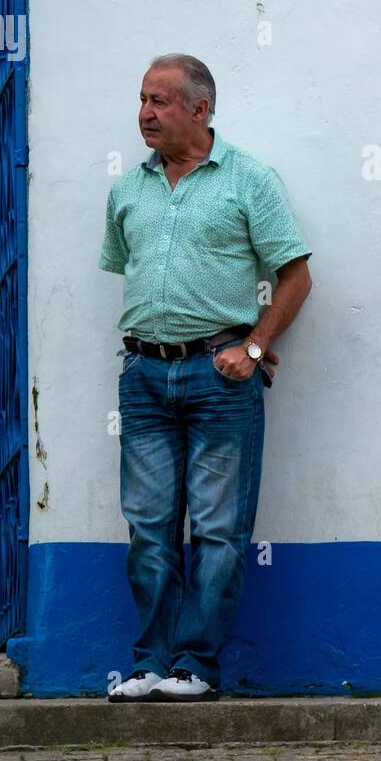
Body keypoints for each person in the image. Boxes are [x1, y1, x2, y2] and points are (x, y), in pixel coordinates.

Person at [99, 54, 311, 702]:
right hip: (144, 379)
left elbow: (296, 276)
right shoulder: (128, 189)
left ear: (200, 108)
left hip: (221, 378)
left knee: (219, 532)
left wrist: (253, 347)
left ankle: (195, 666)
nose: (145, 113)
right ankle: (149, 664)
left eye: (160, 101)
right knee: (149, 528)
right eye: (142, 99)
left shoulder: (248, 179)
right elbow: (124, 269)